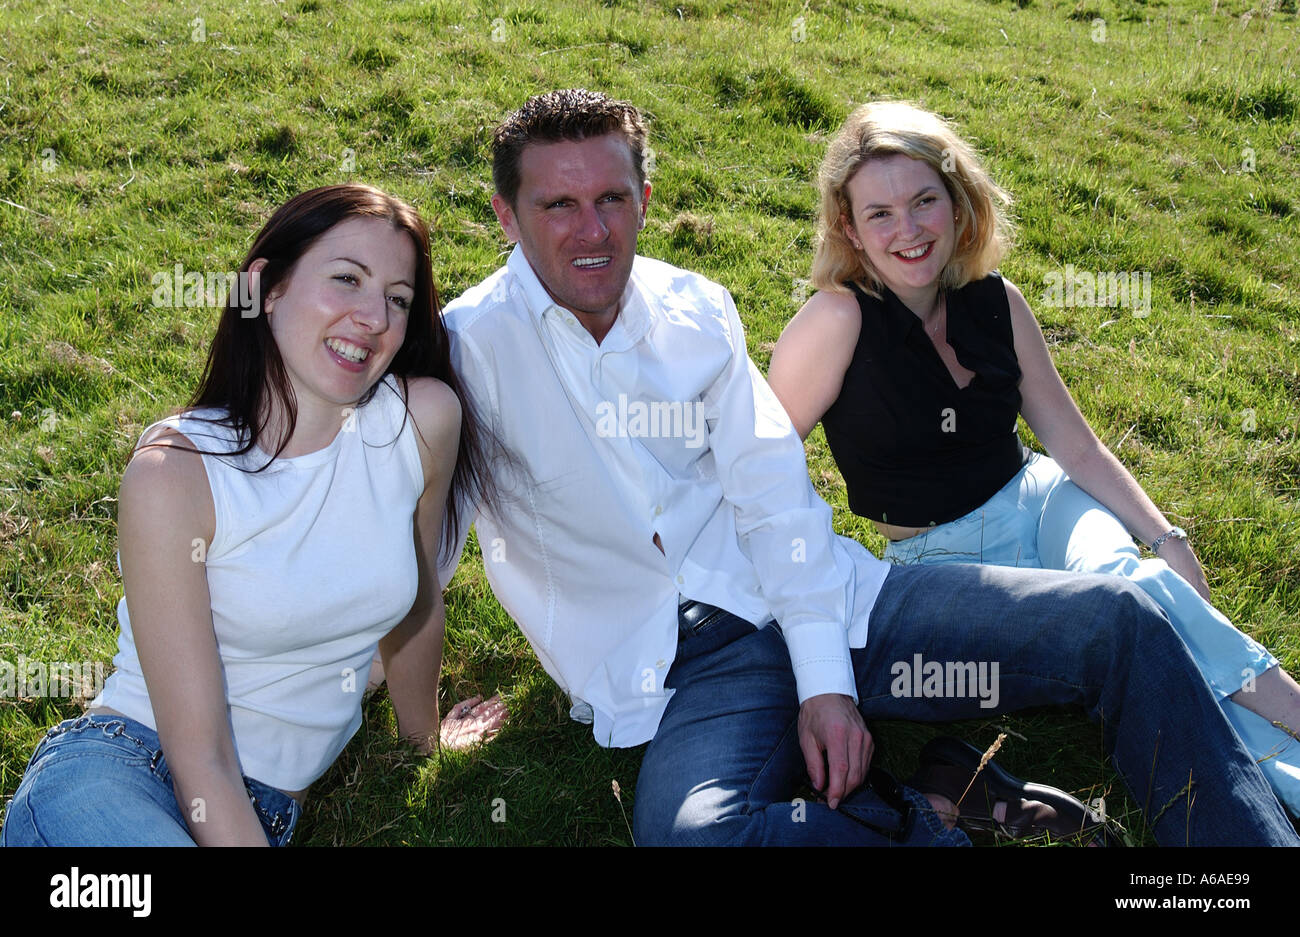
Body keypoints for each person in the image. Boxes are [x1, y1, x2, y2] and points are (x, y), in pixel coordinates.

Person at [438, 88, 1298, 846]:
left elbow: (773, 495)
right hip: (688, 668)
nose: (593, 230)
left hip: (840, 602)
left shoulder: (696, 310)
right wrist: (397, 691)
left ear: (646, 199)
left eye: (613, 198)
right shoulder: (466, 352)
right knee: (689, 837)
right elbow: (405, 534)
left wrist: (827, 683)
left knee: (1121, 614)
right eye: (558, 205)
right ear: (506, 215)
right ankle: (933, 807)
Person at [766, 99, 1300, 817]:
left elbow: (1073, 442)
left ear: (959, 205)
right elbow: (758, 467)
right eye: (881, 213)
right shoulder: (835, 321)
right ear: (849, 229)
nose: (909, 229)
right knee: (1138, 616)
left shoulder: (997, 300)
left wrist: (1168, 538)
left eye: (925, 200)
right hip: (937, 564)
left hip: (1040, 499)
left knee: (1136, 584)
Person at [1, 184, 505, 847]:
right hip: (119, 774)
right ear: (267, 287)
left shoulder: (421, 420)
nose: (373, 316)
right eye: (347, 279)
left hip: (261, 809)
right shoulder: (177, 474)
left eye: (398, 298)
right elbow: (200, 755)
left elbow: (416, 601)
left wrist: (422, 742)